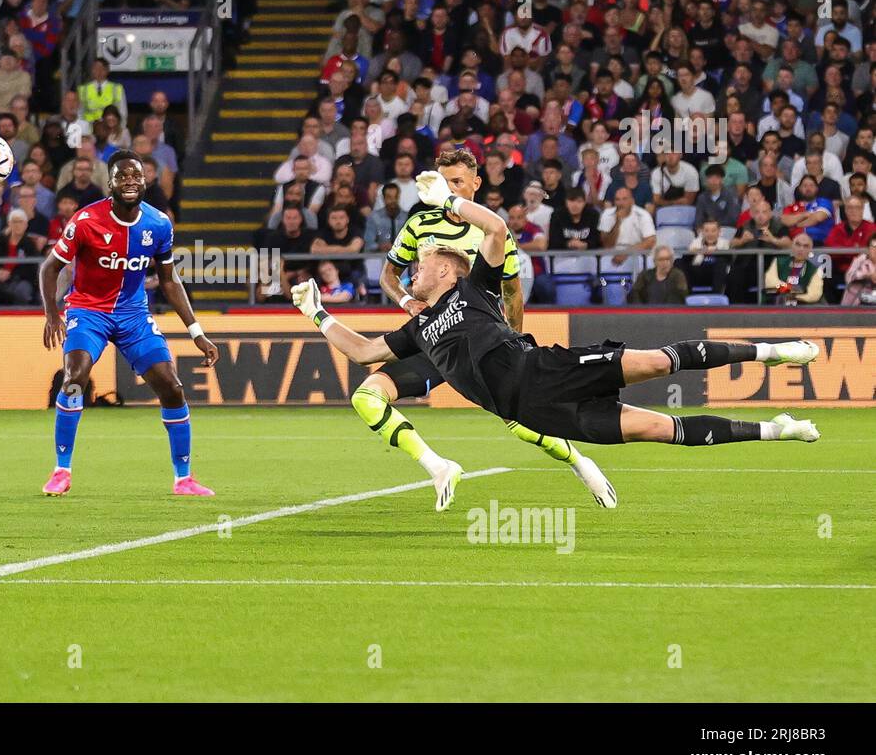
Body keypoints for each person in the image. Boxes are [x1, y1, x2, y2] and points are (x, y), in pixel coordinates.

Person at [293, 173, 821, 512]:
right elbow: (363, 352)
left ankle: (774, 352)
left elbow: (496, 228)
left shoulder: (475, 288)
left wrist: (450, 200)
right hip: (543, 415)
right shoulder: (417, 328)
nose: (416, 265)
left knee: (661, 363)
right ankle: (777, 431)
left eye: (425, 260)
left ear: (449, 272)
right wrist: (316, 312)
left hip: (550, 372)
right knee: (663, 429)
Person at [365, 144, 613, 505]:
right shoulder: (419, 224)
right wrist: (406, 300)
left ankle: (579, 462)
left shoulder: (493, 232)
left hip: (481, 349)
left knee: (523, 426)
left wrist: (516, 343)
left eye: (458, 182)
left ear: (476, 184)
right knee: (367, 397)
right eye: (445, 182)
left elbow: (512, 293)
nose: (451, 190)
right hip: (433, 342)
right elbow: (389, 274)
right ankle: (438, 467)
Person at [38, 151, 219, 497]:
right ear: (110, 183)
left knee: (173, 388)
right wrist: (52, 313)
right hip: (88, 311)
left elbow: (169, 280)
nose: (130, 182)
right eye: (122, 177)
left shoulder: (159, 224)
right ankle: (62, 470)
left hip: (133, 315)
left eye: (136, 176)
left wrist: (197, 332)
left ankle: (184, 479)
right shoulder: (86, 220)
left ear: (145, 181)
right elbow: (50, 267)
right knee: (75, 378)